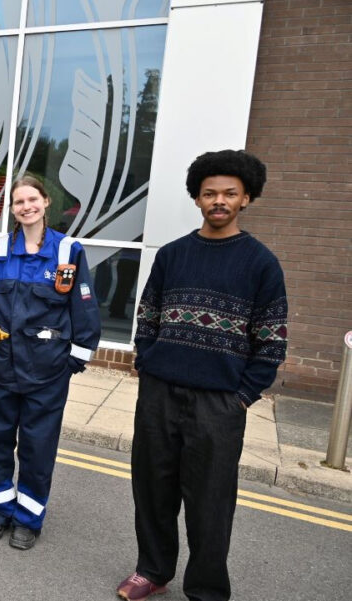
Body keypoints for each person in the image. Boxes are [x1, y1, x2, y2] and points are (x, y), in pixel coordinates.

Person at [116, 150, 287, 601]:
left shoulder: (261, 263)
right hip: (159, 394)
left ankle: (207, 589)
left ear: (246, 198)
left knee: (210, 503)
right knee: (152, 489)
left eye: (229, 193)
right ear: (197, 198)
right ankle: (152, 571)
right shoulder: (172, 255)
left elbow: (271, 340)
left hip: (219, 403)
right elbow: (147, 316)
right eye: (210, 193)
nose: (219, 201)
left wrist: (242, 396)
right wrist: (147, 363)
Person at [0, 175, 101, 551]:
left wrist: (74, 360)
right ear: (12, 209)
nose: (26, 207)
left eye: (32, 199)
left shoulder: (68, 251)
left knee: (37, 447)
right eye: (19, 202)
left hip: (46, 372)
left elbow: (84, 307)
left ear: (45, 202)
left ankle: (28, 518)